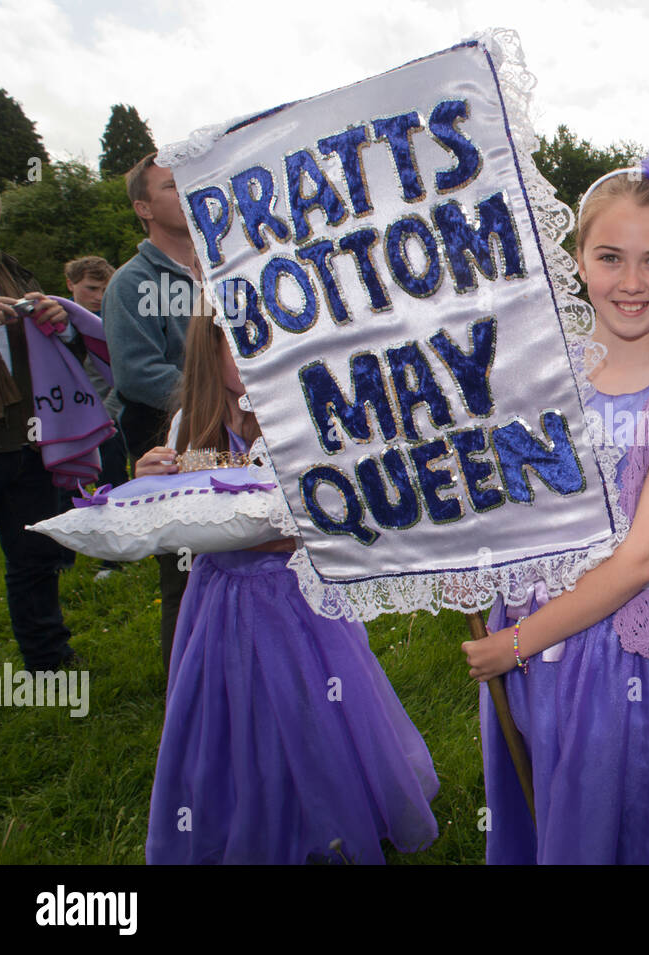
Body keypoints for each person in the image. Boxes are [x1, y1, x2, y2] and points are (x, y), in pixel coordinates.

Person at [462, 144, 649, 864]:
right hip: (534, 653)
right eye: (610, 256)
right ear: (578, 259)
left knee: (632, 833)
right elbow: (503, 507)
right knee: (553, 825)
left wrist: (514, 644)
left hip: (635, 660)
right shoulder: (532, 368)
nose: (631, 281)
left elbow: (645, 557)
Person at [139, 305, 440, 864]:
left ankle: (338, 811)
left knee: (319, 703)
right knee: (235, 709)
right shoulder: (193, 426)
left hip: (300, 598)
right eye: (241, 344)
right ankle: (243, 821)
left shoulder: (299, 415)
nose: (258, 356)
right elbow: (185, 515)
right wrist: (150, 483)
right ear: (210, 350)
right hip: (222, 601)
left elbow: (328, 513)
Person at [102, 153, 194, 672]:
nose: (186, 193)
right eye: (170, 187)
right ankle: (187, 702)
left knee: (252, 557)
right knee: (185, 568)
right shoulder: (131, 284)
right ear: (143, 207)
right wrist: (215, 398)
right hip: (170, 442)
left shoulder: (221, 268)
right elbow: (137, 374)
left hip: (242, 434)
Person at [0, 177, 79, 672]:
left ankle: (48, 659)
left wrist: (56, 318)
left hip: (25, 436)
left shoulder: (11, 270)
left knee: (34, 555)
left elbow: (52, 340)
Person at [65, 255, 128, 579]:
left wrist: (107, 417)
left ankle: (113, 558)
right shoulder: (56, 323)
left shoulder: (113, 323)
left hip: (106, 421)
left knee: (111, 485)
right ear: (70, 285)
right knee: (64, 487)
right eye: (90, 288)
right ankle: (63, 555)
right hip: (66, 422)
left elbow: (124, 378)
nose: (98, 297)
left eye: (104, 289)